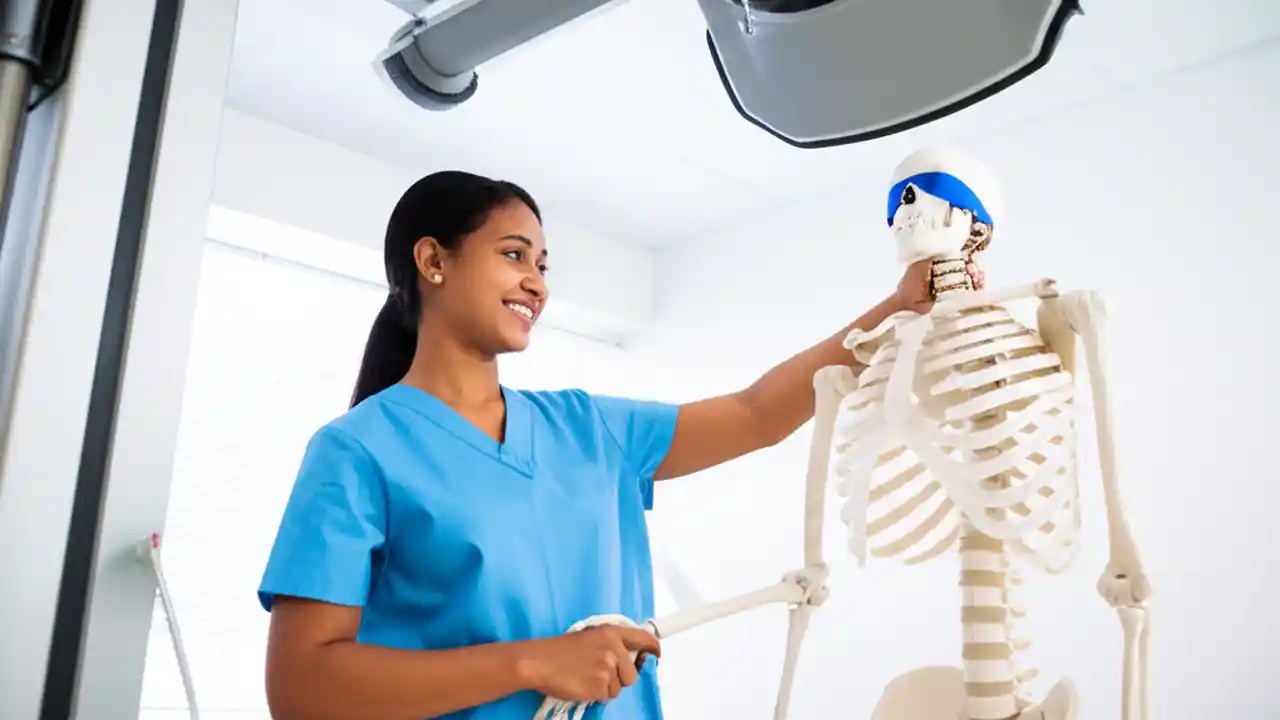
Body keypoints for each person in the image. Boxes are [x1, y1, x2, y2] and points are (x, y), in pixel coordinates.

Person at [257, 170, 943, 720]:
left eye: (542, 264)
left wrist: (899, 307)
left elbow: (756, 412)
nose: (536, 282)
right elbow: (300, 686)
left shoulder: (589, 429)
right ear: (433, 260)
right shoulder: (357, 452)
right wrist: (531, 662)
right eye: (513, 255)